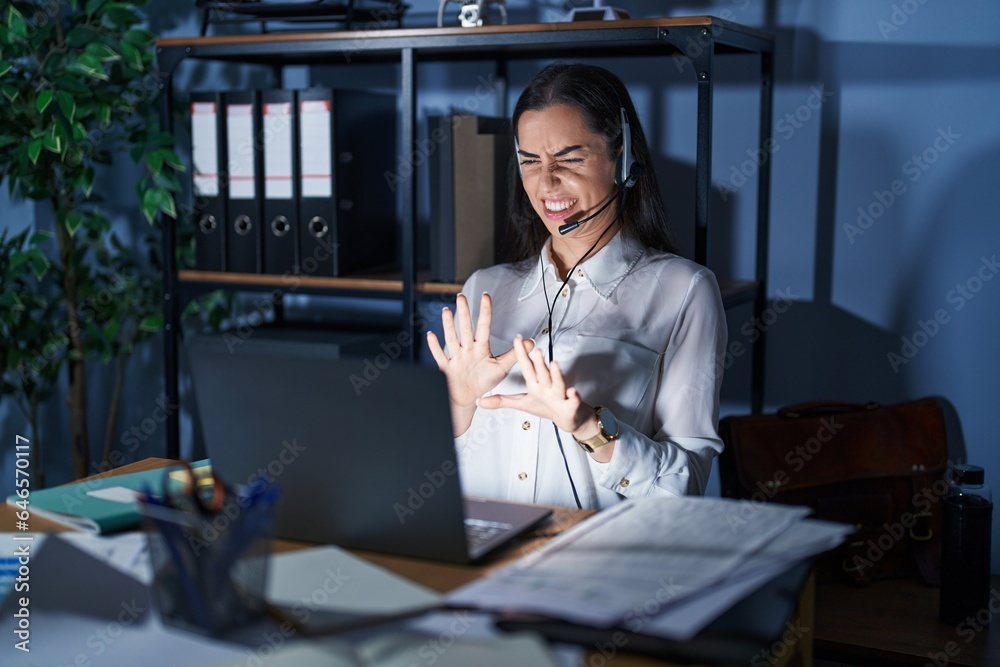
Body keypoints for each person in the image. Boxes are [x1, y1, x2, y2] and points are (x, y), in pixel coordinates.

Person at [426, 63, 727, 510]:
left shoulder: (684, 291)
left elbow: (685, 489)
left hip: (598, 564)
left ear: (621, 158)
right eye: (530, 161)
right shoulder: (485, 288)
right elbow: (434, 477)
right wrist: (459, 404)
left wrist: (590, 428)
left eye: (569, 158)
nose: (546, 182)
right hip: (485, 559)